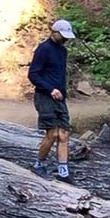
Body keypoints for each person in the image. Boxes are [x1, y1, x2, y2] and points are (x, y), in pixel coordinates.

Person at [29, 18, 77, 179]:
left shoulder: (63, 51)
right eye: (62, 36)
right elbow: (33, 74)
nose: (64, 39)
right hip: (45, 96)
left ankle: (63, 171)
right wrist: (50, 89)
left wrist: (61, 91)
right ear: (54, 32)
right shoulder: (44, 49)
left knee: (64, 133)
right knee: (53, 133)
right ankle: (39, 164)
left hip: (60, 97)